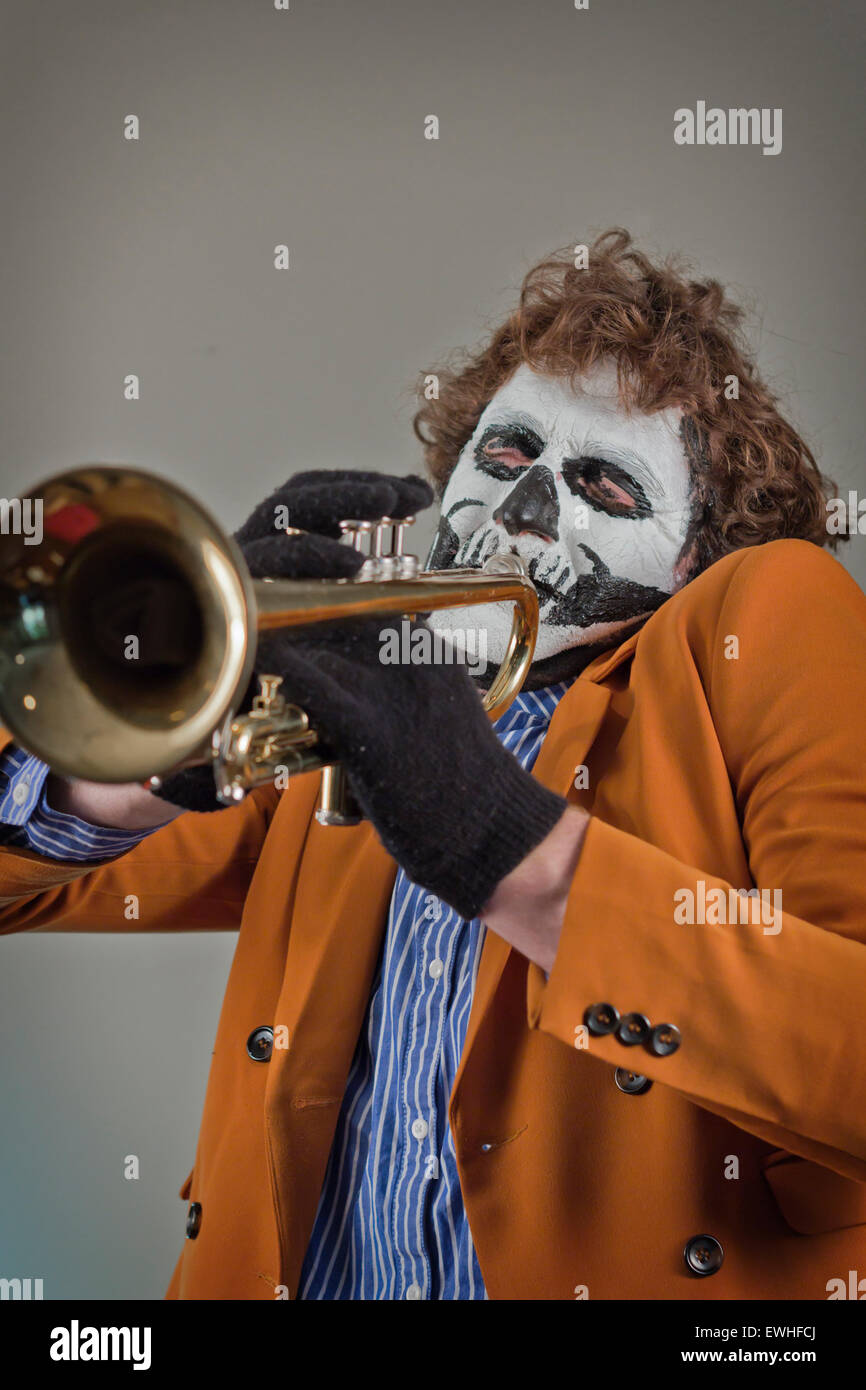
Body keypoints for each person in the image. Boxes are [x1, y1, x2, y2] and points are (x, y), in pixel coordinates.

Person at [2, 228, 865, 1301]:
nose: (520, 513)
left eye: (602, 484)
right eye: (505, 458)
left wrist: (518, 853)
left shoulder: (755, 620)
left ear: (694, 551)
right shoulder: (378, 695)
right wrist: (161, 722)